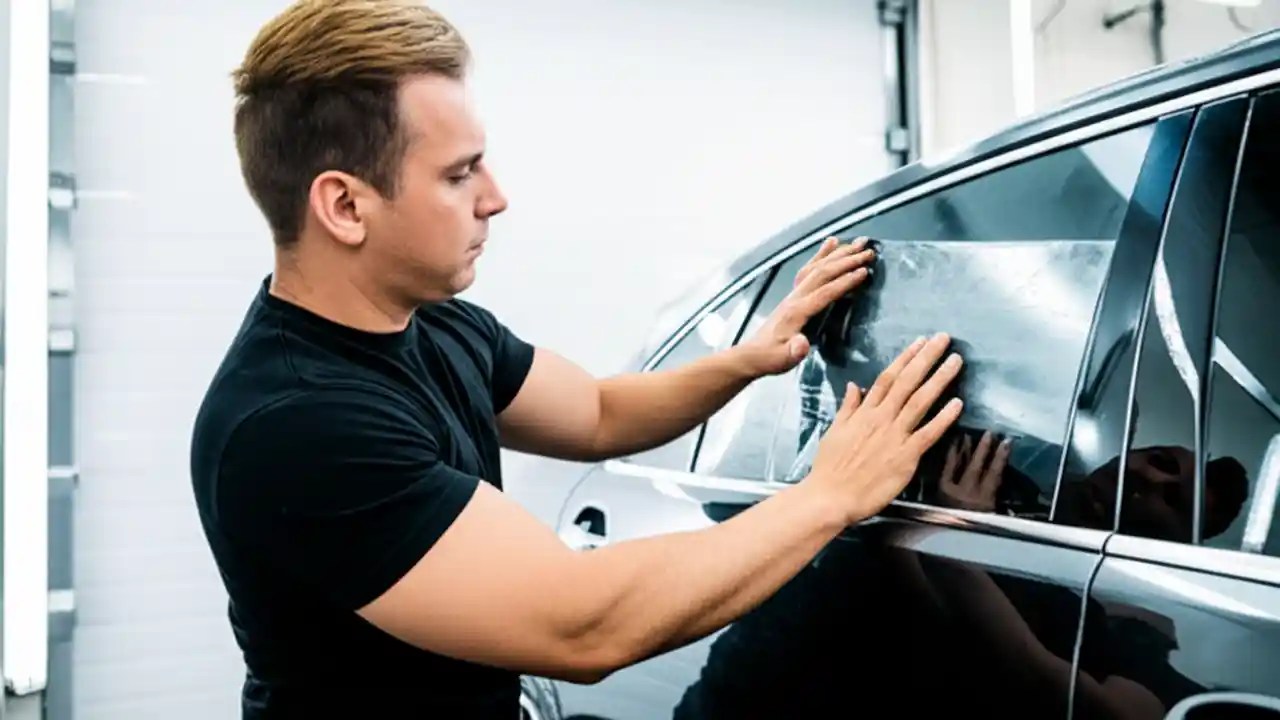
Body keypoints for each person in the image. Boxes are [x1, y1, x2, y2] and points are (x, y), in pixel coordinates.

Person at [188, 1, 965, 717]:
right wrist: (829, 495)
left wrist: (750, 358)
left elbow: (599, 412)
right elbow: (583, 626)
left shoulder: (439, 328)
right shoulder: (296, 424)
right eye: (460, 173)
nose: (495, 197)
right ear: (345, 206)